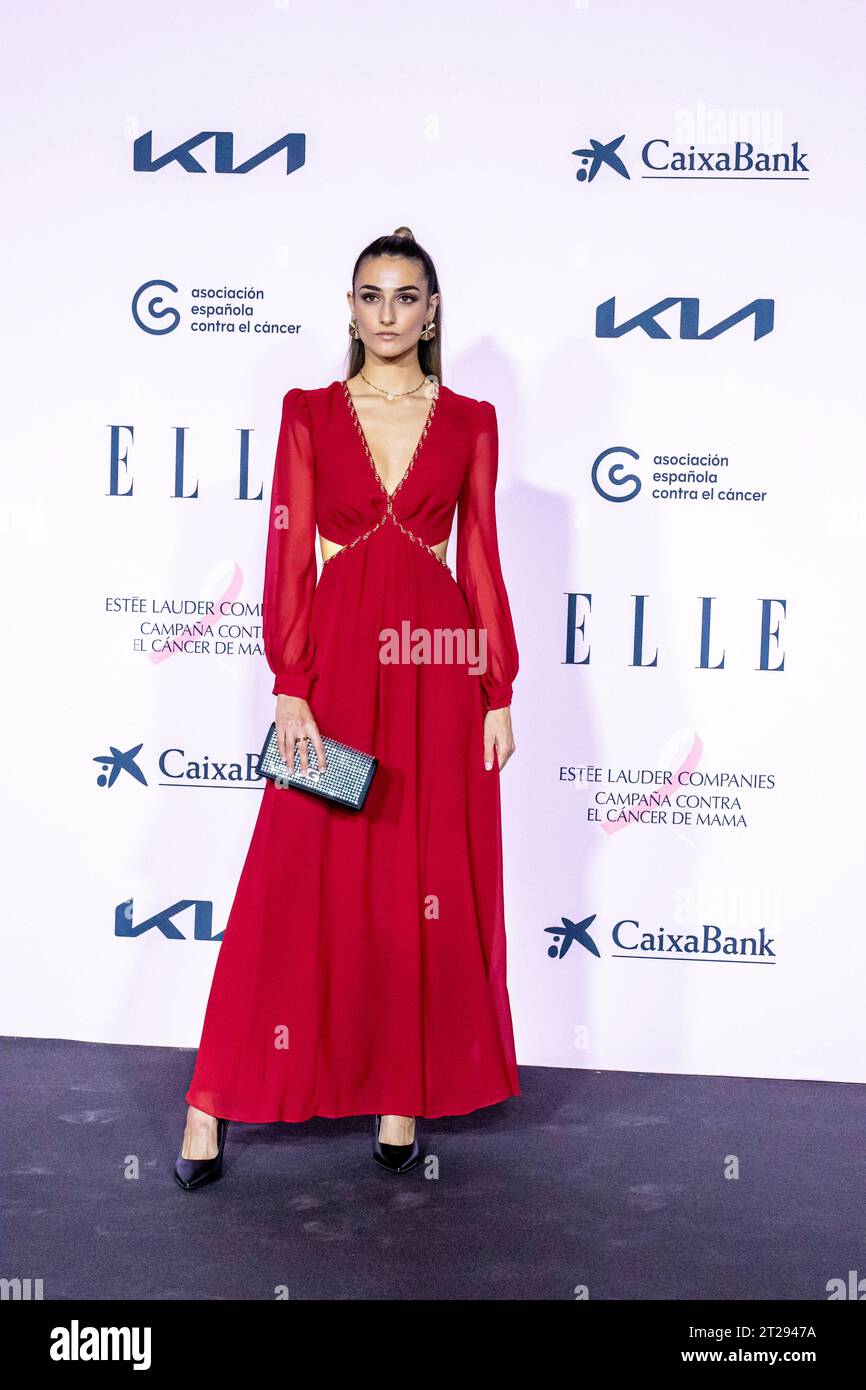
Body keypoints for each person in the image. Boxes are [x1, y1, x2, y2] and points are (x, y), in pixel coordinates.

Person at [175, 226, 520, 1189]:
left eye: (406, 297)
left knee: (421, 887)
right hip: (334, 670)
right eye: (371, 296)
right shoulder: (310, 412)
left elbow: (482, 560)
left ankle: (400, 1099)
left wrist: (498, 688)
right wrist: (289, 681)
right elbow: (287, 553)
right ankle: (211, 1101)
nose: (388, 314)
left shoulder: (473, 421)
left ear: (433, 310)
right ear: (350, 307)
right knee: (291, 888)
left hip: (441, 675)